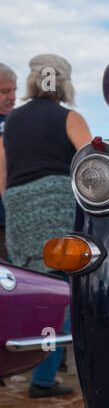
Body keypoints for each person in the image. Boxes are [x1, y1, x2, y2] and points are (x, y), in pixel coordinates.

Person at [0, 54, 92, 397]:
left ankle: (23, 368)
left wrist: (14, 204)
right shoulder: (70, 117)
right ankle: (43, 380)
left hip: (18, 204)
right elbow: (93, 161)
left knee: (30, 290)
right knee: (60, 293)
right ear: (64, 83)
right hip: (56, 200)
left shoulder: (12, 122)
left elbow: (2, 174)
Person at [0, 62, 16, 261]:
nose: (12, 97)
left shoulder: (19, 120)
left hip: (15, 217)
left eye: (14, 90)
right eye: (5, 91)